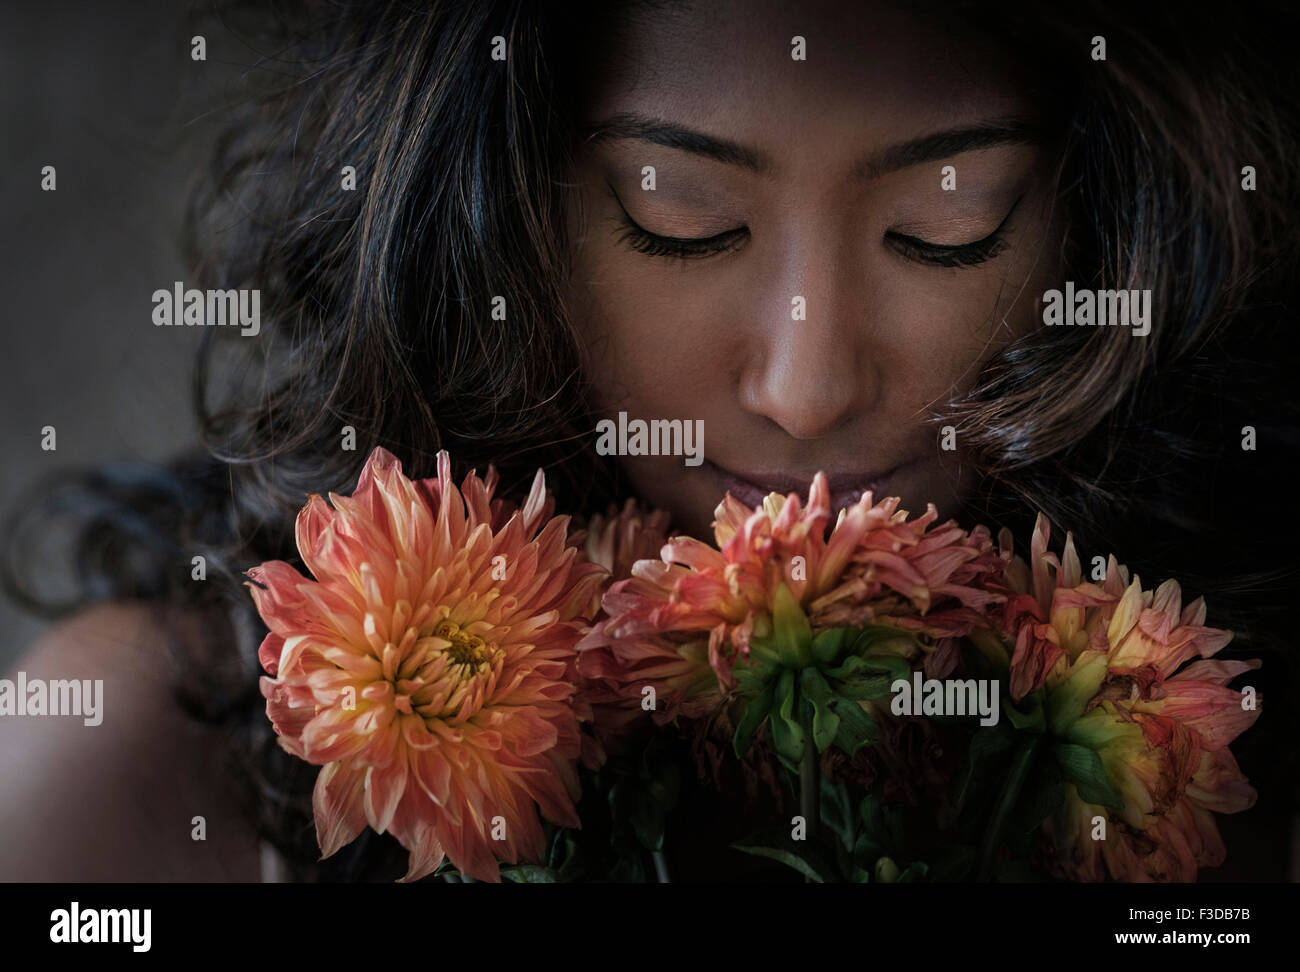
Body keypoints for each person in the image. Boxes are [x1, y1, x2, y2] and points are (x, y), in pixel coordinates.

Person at [2, 0, 1296, 881]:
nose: (807, 387)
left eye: (950, 225)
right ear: (497, 213)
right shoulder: (139, 754)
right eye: (679, 217)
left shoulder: (1215, 752)